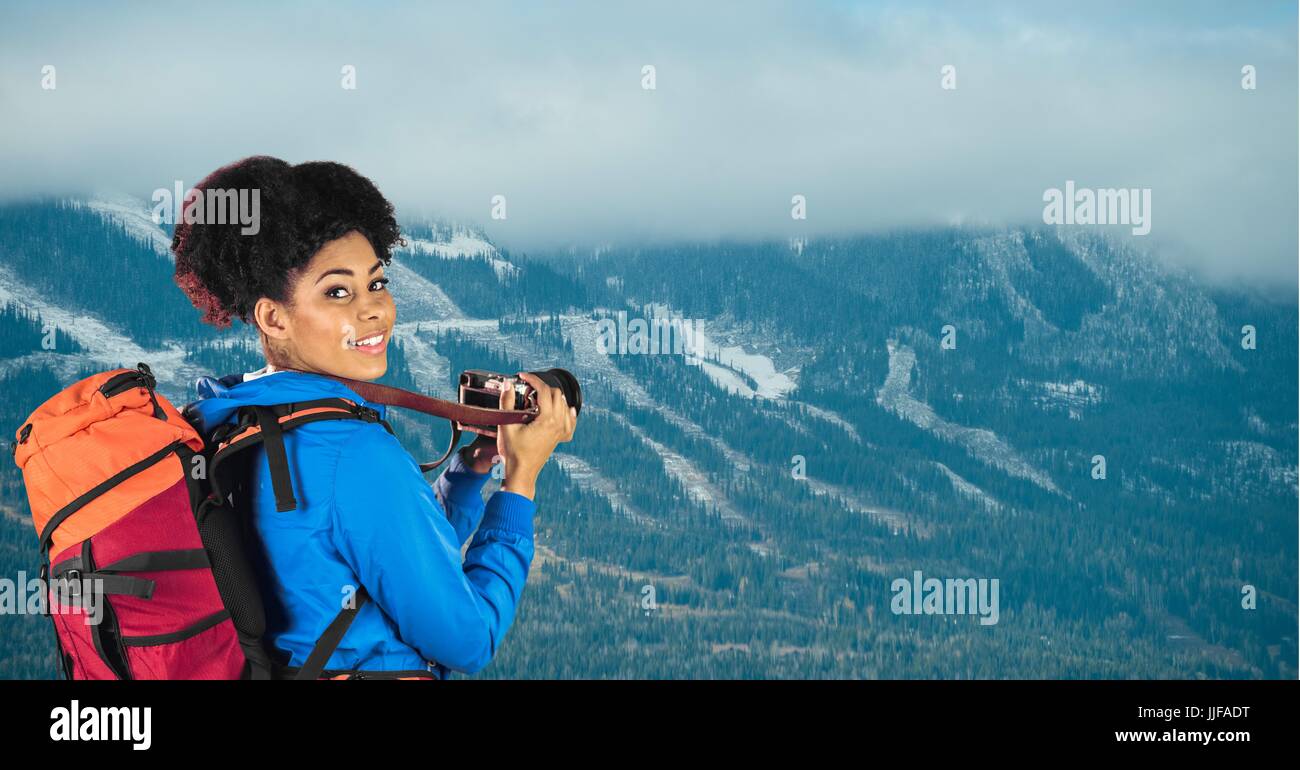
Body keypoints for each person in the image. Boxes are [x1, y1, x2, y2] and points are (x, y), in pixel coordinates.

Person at [178, 156, 575, 678]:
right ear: (273, 317)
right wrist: (520, 484)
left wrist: (468, 473)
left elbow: (379, 557)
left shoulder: (229, 419)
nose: (374, 310)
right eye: (337, 292)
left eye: (378, 283)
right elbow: (468, 641)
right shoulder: (352, 451)